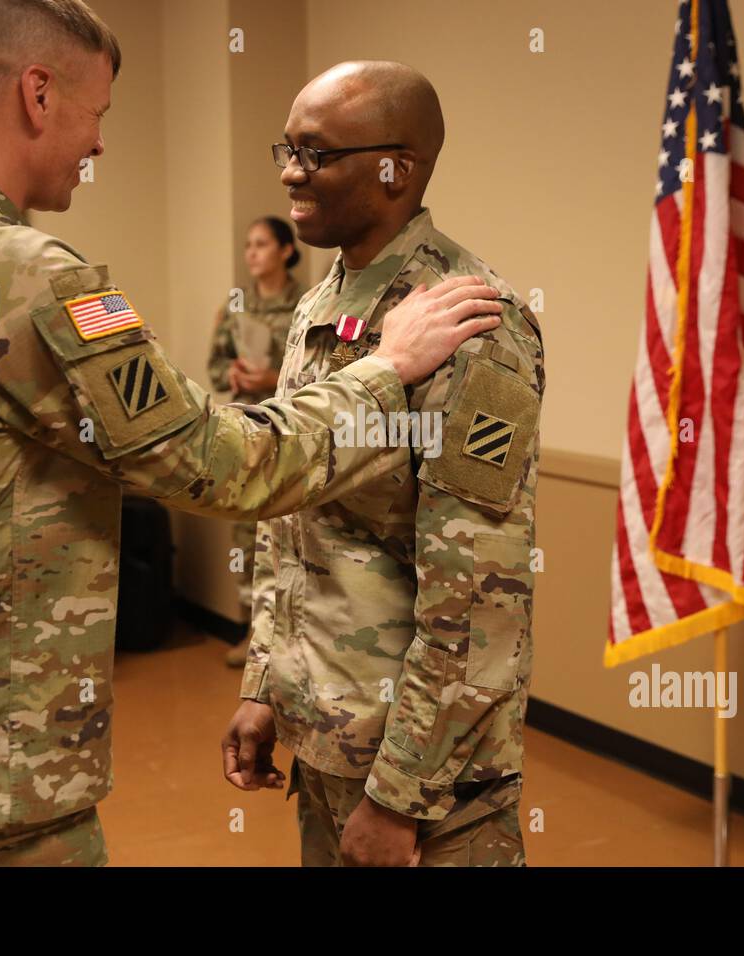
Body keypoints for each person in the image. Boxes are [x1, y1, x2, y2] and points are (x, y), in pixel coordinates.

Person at [0, 0, 502, 867]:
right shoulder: (31, 276)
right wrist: (384, 369)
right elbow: (226, 469)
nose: (98, 145)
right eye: (96, 114)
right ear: (38, 94)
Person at [221, 61, 545, 867]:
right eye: (287, 149)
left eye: (317, 152)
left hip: (425, 787)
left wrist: (399, 795)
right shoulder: (322, 303)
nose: (292, 172)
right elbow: (291, 521)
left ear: (397, 168)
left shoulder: (472, 327)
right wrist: (265, 685)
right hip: (326, 740)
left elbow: (476, 602)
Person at [206, 217, 305, 667]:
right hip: (245, 427)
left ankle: (293, 636)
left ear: (285, 250)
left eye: (261, 244)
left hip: (291, 431)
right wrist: (232, 374)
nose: (252, 253)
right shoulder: (235, 305)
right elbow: (214, 365)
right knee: (247, 534)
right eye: (248, 244)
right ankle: (252, 631)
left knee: (295, 533)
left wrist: (273, 379)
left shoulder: (306, 303)